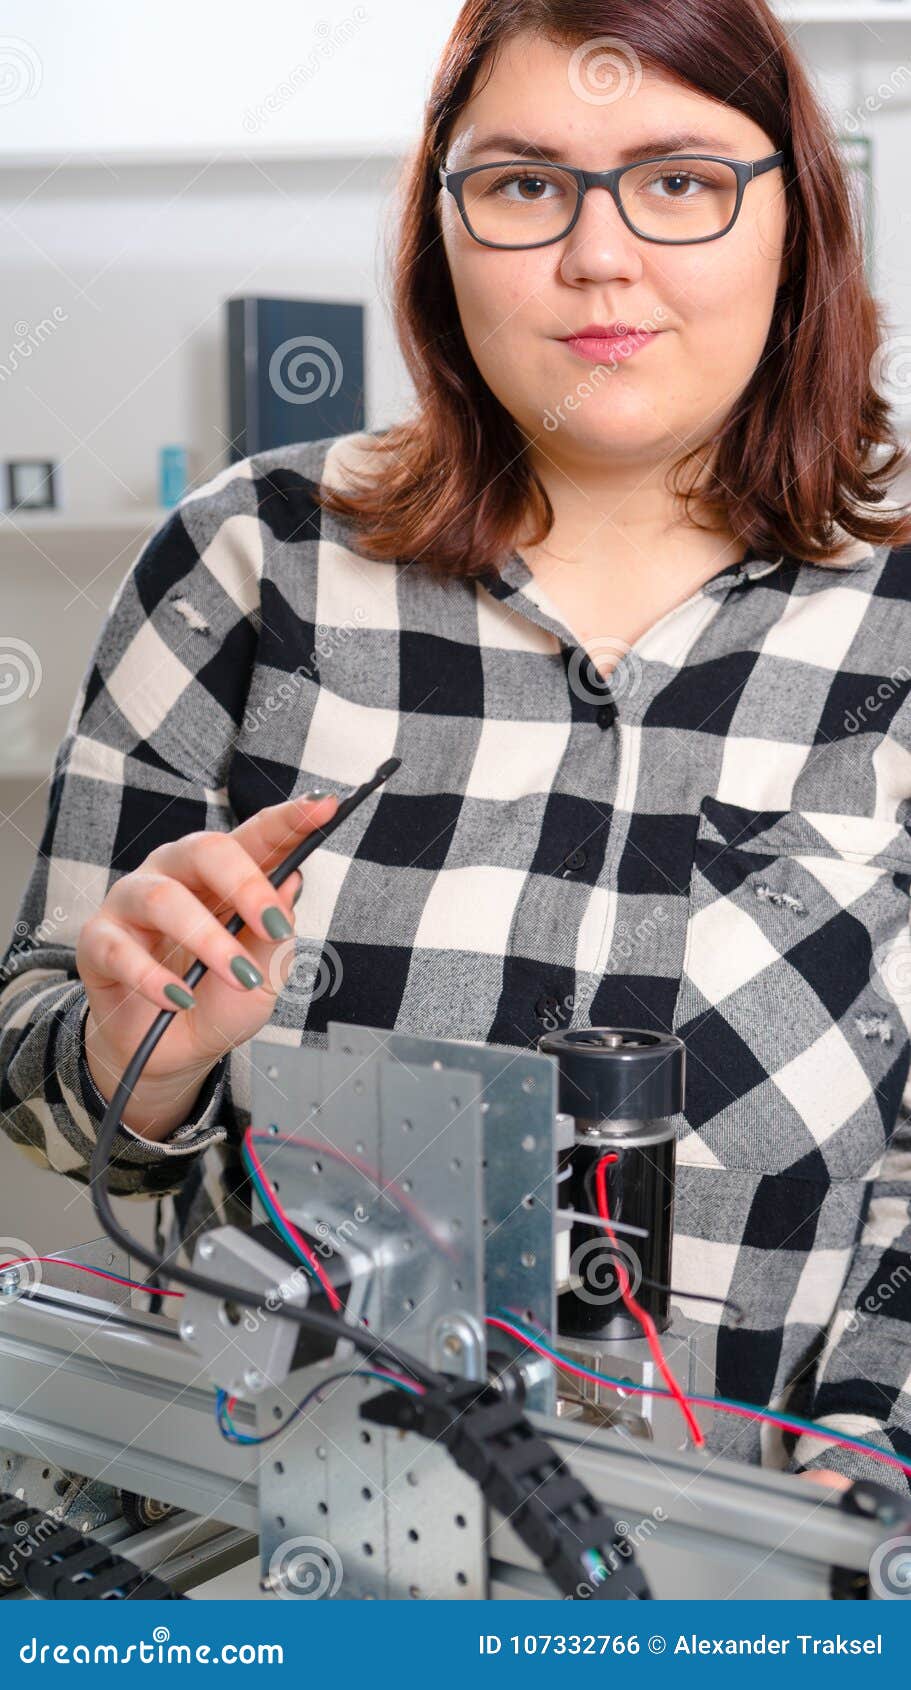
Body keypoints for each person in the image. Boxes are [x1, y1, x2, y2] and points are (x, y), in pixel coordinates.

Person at [3, 0, 911, 1497]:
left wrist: (859, 1470)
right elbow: (42, 1066)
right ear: (442, 227)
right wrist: (130, 1052)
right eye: (523, 183)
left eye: (680, 179)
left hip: (760, 1572)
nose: (598, 255)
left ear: (797, 219)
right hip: (282, 1544)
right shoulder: (249, 564)